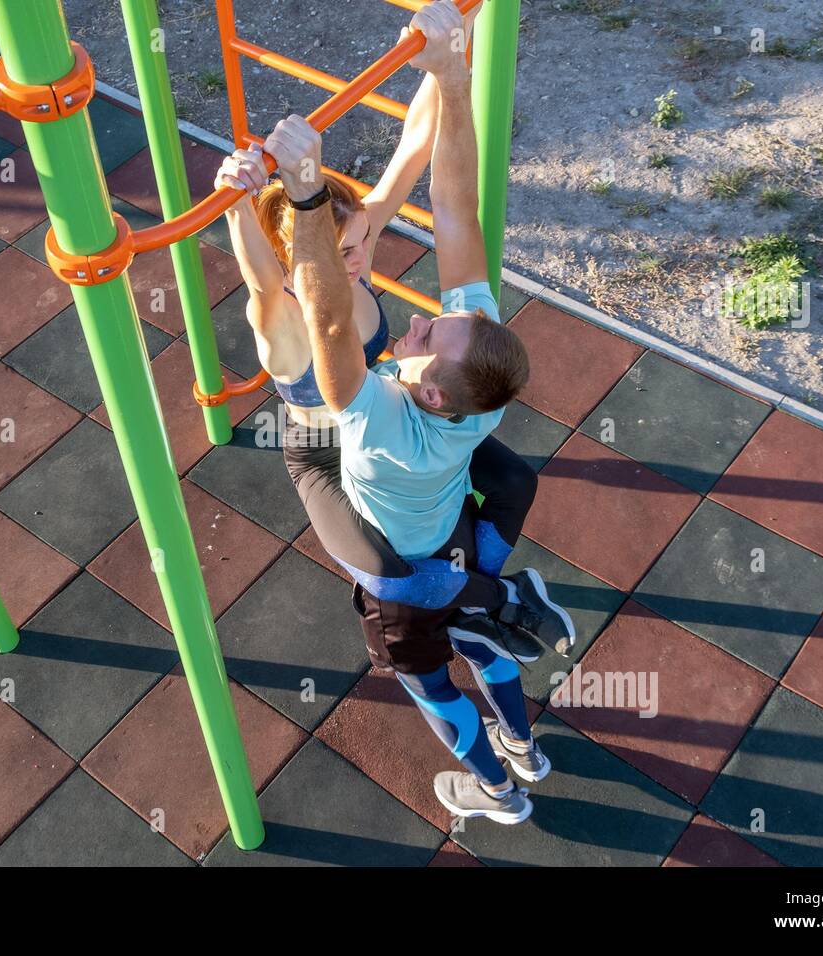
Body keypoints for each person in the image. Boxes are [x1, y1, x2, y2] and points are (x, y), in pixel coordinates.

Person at [261, 0, 570, 824]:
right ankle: (521, 731)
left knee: (429, 679)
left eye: (431, 332)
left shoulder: (383, 424)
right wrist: (451, 73)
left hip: (406, 581)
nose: (424, 316)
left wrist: (303, 195)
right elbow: (458, 206)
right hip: (457, 537)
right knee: (470, 615)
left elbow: (326, 324)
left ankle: (498, 792)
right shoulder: (473, 390)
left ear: (431, 390)